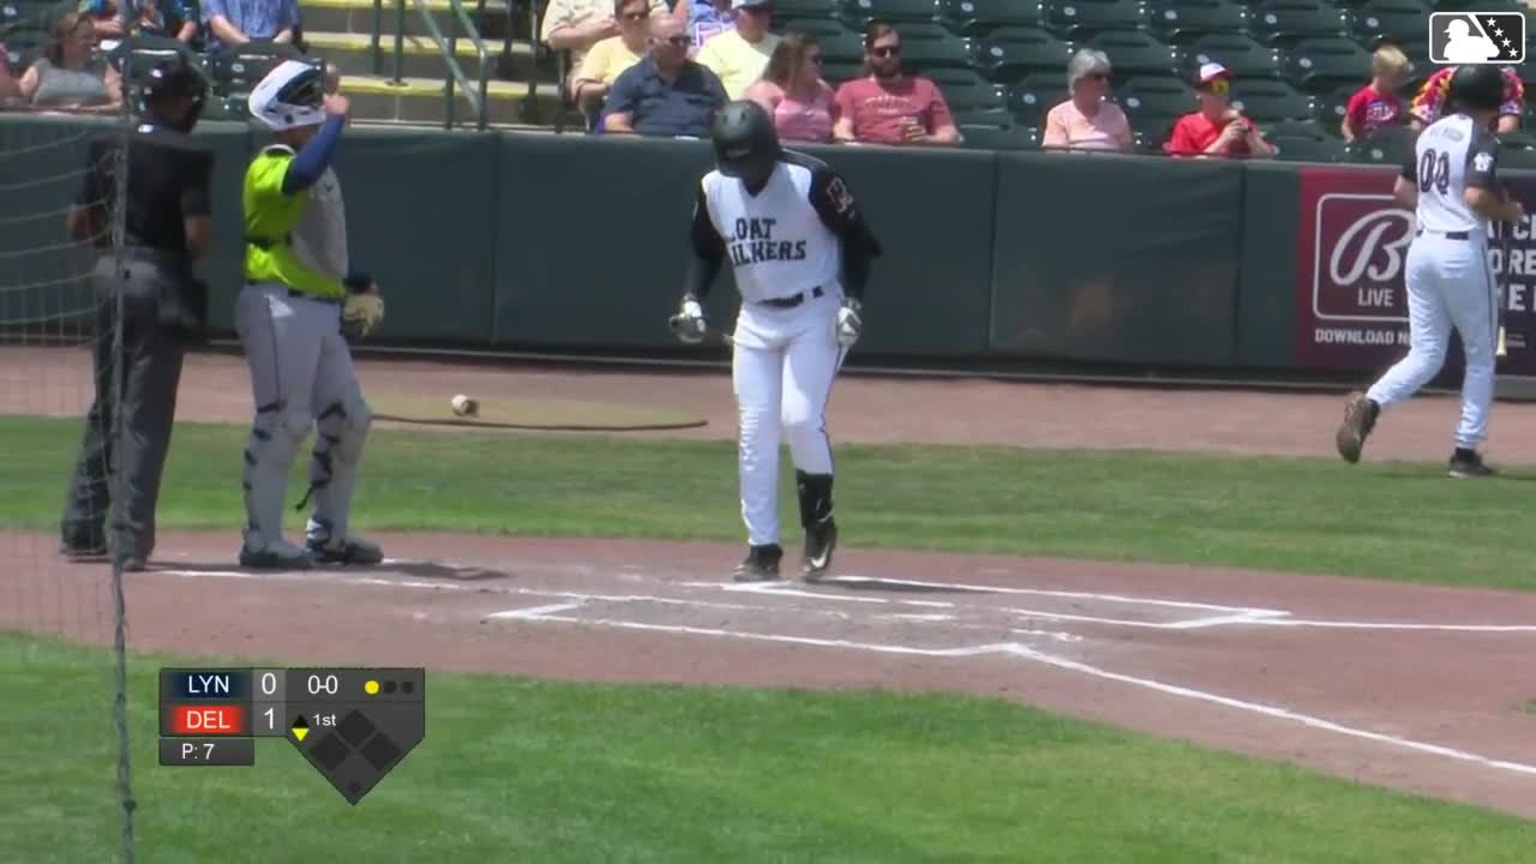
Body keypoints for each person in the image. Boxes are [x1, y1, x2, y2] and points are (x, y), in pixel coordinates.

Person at [667, 101, 882, 581]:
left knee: (800, 418)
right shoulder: (715, 187)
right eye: (736, 164)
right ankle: (762, 549)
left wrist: (853, 302)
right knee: (755, 431)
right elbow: (705, 249)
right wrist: (691, 300)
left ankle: (819, 525)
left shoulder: (813, 179)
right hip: (756, 317)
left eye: (753, 163)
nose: (747, 175)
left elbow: (858, 240)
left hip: (817, 308)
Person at [59, 58, 213, 570]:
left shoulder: (106, 143)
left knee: (107, 403)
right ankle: (128, 542)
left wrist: (115, 245)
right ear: (180, 101)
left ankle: (81, 529)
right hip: (159, 278)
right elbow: (196, 239)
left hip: (108, 271)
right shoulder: (189, 154)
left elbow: (78, 224)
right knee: (145, 416)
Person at [1335, 65, 1524, 478]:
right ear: (1493, 102)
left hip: (1422, 248)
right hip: (1461, 249)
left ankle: (1371, 402)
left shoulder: (1429, 133)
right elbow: (1476, 196)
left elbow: (1402, 192)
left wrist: (1438, 207)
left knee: (1426, 352)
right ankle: (1465, 453)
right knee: (1479, 357)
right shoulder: (1483, 138)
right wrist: (1508, 211)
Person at [237, 59, 386, 569]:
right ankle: (261, 540)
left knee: (350, 418)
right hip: (278, 304)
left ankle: (329, 534)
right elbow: (302, 172)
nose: (322, 107)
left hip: (316, 306)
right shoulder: (270, 164)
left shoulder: (307, 158)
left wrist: (354, 280)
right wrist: (338, 119)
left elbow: (310, 244)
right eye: (314, 103)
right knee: (284, 421)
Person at [832, 23, 958, 146]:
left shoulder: (926, 88)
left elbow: (950, 135)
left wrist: (925, 140)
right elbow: (842, 132)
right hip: (869, 158)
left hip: (914, 157)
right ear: (868, 55)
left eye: (894, 51)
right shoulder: (850, 90)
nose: (888, 56)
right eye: (881, 52)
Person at [1164, 62, 1275, 159]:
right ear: (1197, 93)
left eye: (1222, 86)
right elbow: (1181, 168)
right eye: (1212, 87)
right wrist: (1223, 141)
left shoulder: (1239, 122)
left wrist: (1249, 134)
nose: (1219, 93)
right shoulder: (1187, 124)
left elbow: (1266, 158)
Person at [18, 12, 123, 112]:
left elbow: (120, 104)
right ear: (67, 41)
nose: (94, 41)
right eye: (86, 37)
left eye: (93, 37)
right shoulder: (41, 67)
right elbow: (17, 100)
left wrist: (86, 111)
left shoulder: (103, 68)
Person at [743, 30, 835, 143]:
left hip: (822, 156)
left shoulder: (823, 90)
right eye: (815, 59)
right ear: (793, 61)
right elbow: (757, 136)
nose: (820, 63)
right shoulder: (764, 91)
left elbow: (836, 127)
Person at [1040, 48, 1132, 153]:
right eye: (1097, 77)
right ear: (1078, 80)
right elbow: (1056, 160)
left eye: (1107, 77)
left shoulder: (1116, 112)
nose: (1104, 82)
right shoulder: (1058, 115)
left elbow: (1128, 155)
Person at [1409, 65, 1524, 134]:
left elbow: (1507, 127)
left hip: (1486, 141)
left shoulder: (1508, 82)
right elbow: (1418, 124)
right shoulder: (1442, 80)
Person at [1340, 44, 1410, 142]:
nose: (1397, 84)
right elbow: (1346, 125)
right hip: (1367, 147)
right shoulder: (1361, 98)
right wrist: (1351, 139)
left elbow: (1397, 126)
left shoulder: (1395, 100)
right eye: (1393, 80)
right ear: (1380, 73)